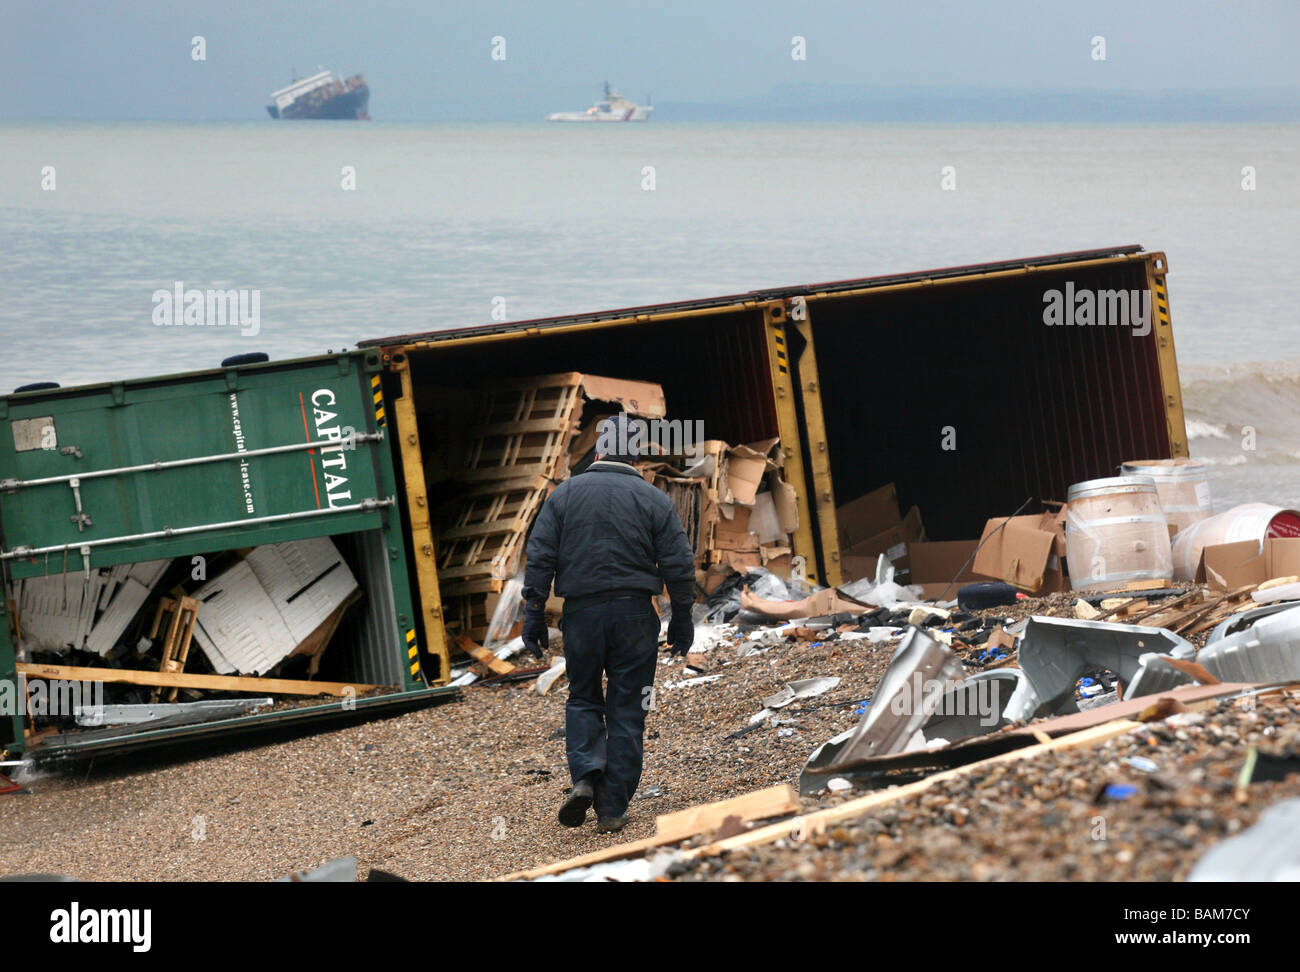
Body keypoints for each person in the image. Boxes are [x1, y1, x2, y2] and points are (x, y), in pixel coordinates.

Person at [522, 413, 695, 834]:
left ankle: (584, 775)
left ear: (598, 450)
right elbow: (678, 562)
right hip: (636, 615)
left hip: (582, 614)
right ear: (637, 458)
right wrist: (683, 616)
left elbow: (540, 555)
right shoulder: (653, 499)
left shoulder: (563, 496)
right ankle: (612, 807)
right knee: (628, 709)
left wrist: (534, 612)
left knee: (582, 698)